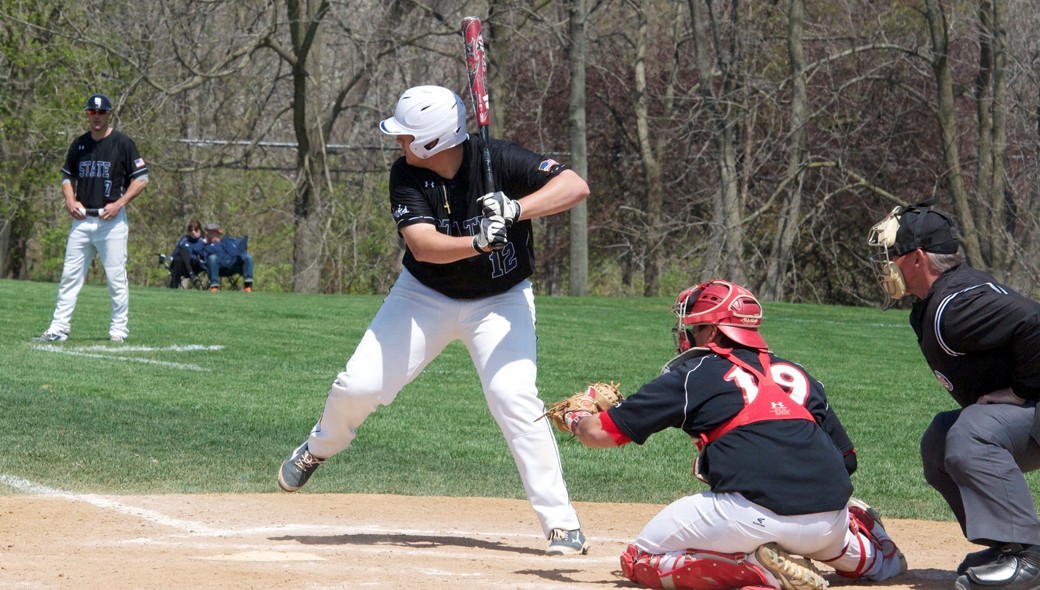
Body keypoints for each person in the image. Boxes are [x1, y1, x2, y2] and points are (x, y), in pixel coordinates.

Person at [277, 84, 591, 555]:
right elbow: (423, 245)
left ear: (432, 141)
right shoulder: (405, 173)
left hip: (501, 300)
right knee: (358, 386)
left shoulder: (498, 159)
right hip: (424, 295)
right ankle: (319, 447)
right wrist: (480, 241)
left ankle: (561, 523)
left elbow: (575, 186)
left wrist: (515, 207)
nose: (399, 142)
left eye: (406, 135)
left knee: (514, 397)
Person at [560, 279, 906, 589]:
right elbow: (847, 460)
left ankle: (759, 570)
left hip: (750, 516)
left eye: (692, 327)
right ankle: (873, 549)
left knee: (640, 559)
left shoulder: (694, 372)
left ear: (712, 331)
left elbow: (597, 434)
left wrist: (576, 415)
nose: (684, 336)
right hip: (830, 520)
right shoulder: (796, 373)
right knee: (877, 562)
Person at [868, 203, 1040, 590]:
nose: (887, 264)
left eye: (893, 254)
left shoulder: (956, 304)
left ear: (917, 258)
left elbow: (1035, 321)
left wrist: (1021, 390)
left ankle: (1030, 556)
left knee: (971, 434)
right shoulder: (941, 298)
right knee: (940, 439)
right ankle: (1007, 543)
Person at [36, 93, 149, 343]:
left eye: (101, 112)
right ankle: (58, 328)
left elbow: (141, 179)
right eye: (91, 112)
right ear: (87, 115)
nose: (96, 117)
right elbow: (67, 176)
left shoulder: (123, 143)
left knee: (116, 277)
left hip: (111, 222)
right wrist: (69, 200)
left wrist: (119, 203)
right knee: (69, 277)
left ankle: (118, 330)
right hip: (82, 219)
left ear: (109, 114)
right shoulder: (79, 144)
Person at [202, 223, 253, 292]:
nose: (210, 234)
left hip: (232, 265)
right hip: (218, 267)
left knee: (247, 257)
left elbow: (236, 252)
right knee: (212, 258)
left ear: (218, 233)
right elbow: (203, 257)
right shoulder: (206, 245)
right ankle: (214, 287)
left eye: (213, 232)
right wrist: (204, 243)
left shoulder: (227, 242)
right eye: (209, 232)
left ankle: (248, 286)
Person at [164, 218, 206, 289]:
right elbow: (174, 253)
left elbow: (199, 253)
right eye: (191, 230)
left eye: (196, 229)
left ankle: (173, 286)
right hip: (181, 266)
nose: (193, 232)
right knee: (178, 258)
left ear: (200, 230)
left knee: (183, 251)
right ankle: (191, 274)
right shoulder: (184, 239)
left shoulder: (203, 240)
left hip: (195, 265)